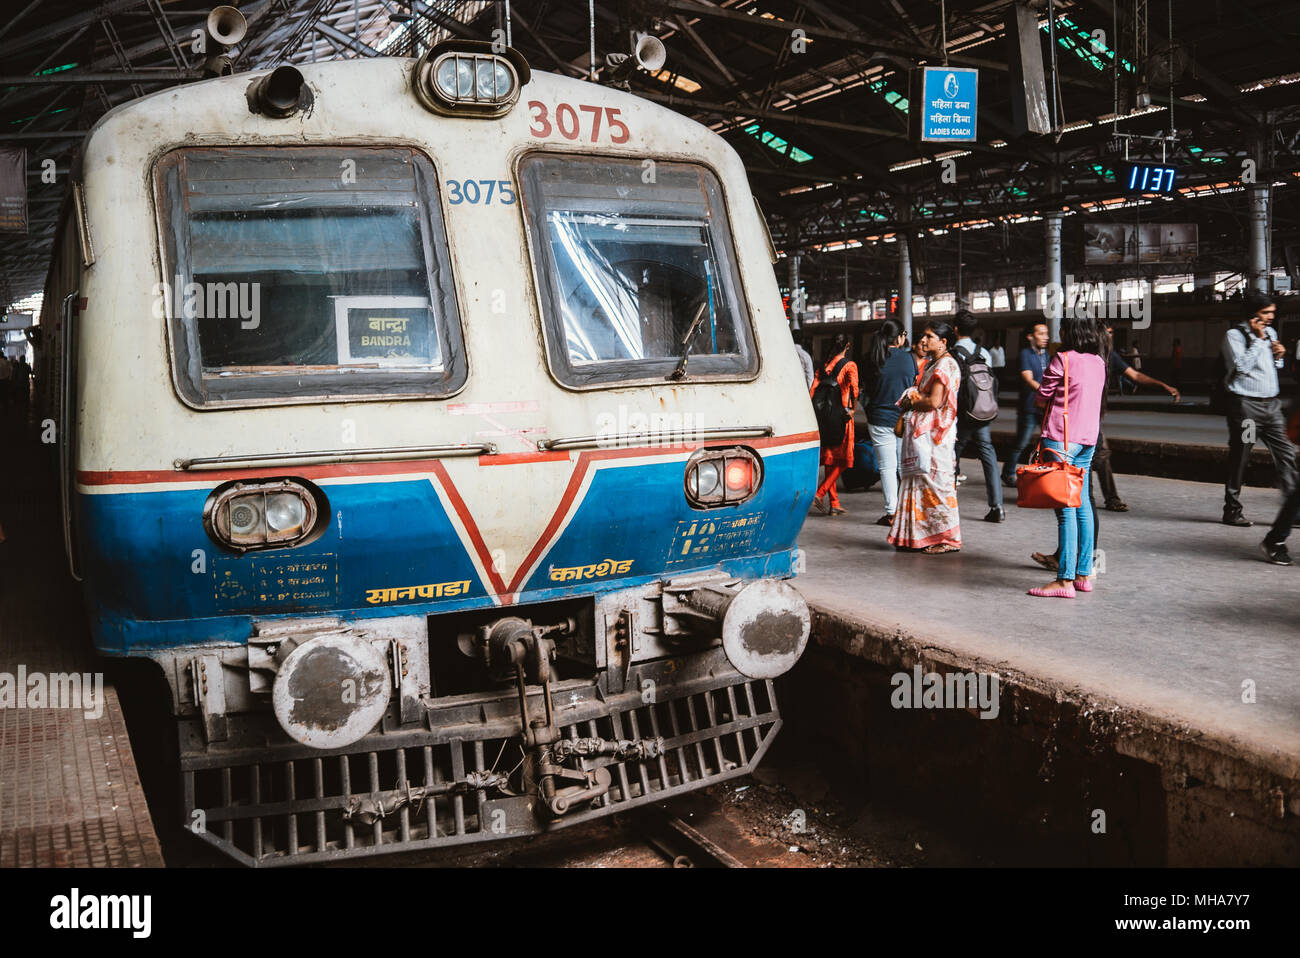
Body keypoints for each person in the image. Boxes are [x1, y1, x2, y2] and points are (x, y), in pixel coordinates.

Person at [1027, 316, 1107, 598]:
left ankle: (1064, 580)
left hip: (1061, 439)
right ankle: (1084, 574)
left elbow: (1042, 396)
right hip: (1088, 440)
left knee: (1065, 511)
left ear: (1071, 333)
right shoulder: (1099, 362)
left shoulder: (1063, 359)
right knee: (1083, 504)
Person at [1221, 290, 1297, 527]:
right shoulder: (1233, 335)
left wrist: (1279, 356)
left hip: (1271, 407)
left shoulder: (1271, 332)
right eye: (1266, 313)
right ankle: (1232, 510)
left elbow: (1270, 367)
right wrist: (1257, 340)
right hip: (1247, 408)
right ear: (1252, 313)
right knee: (1242, 456)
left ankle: (1292, 508)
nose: (1270, 317)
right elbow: (1241, 368)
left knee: (1286, 454)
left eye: (1272, 312)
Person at [889, 321, 961, 554]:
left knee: (937, 485)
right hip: (926, 436)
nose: (923, 340)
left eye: (930, 337)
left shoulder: (945, 365)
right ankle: (917, 536)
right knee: (921, 483)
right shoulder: (934, 363)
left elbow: (934, 402)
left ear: (943, 342)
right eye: (924, 336)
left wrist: (912, 400)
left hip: (936, 437)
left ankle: (947, 539)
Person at [1096, 321, 1181, 511]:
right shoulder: (1083, 356)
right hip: (1078, 416)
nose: (1110, 337)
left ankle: (1109, 498)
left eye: (1111, 333)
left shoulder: (1111, 356)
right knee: (1092, 455)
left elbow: (1135, 376)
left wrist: (1163, 386)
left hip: (1093, 417)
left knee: (1100, 455)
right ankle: (1094, 498)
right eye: (1106, 333)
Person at [862, 319, 917, 526]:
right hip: (903, 419)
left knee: (887, 467)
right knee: (904, 467)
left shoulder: (871, 358)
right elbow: (913, 385)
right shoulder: (909, 359)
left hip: (878, 418)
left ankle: (892, 512)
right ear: (900, 337)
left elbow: (866, 389)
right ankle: (907, 511)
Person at [951, 310, 1005, 522]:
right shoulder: (985, 354)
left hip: (962, 414)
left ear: (955, 329)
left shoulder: (953, 353)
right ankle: (997, 506)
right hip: (982, 411)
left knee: (952, 454)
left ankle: (948, 504)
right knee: (988, 455)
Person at [810, 334, 859, 516]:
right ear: (847, 345)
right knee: (845, 460)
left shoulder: (823, 366)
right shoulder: (849, 365)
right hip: (842, 417)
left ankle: (835, 503)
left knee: (831, 459)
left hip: (824, 419)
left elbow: (813, 390)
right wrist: (853, 409)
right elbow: (854, 389)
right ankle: (820, 493)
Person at [1001, 321, 1050, 487]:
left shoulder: (1046, 355)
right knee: (1021, 442)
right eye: (1041, 334)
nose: (1046, 337)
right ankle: (1008, 473)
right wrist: (1048, 393)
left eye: (1046, 334)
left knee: (1048, 443)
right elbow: (1028, 379)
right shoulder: (1025, 354)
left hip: (1044, 407)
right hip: (1029, 407)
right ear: (1030, 336)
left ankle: (1044, 474)